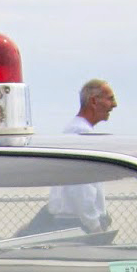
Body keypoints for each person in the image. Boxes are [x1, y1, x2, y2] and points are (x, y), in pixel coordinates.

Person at [24, 79, 118, 234]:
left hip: (74, 222)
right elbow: (81, 187)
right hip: (77, 225)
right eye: (110, 99)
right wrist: (94, 226)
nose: (114, 105)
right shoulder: (82, 134)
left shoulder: (74, 130)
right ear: (94, 101)